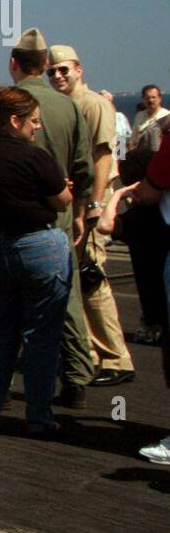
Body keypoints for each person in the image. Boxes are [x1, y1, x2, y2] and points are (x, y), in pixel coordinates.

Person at [0, 86, 73, 437]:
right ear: (16, 120)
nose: (37, 128)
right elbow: (62, 201)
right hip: (39, 244)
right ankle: (39, 416)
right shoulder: (34, 156)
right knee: (41, 336)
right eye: (33, 121)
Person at [8, 27, 95, 409]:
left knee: (7, 303)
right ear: (45, 65)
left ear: (15, 64)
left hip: (12, 218)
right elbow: (83, 168)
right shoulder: (68, 106)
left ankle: (0, 384)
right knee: (67, 297)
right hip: (58, 214)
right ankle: (76, 375)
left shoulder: (6, 105)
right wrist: (78, 211)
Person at [46, 45, 136, 386]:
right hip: (73, 204)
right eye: (52, 71)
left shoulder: (94, 105)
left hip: (91, 202)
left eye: (63, 70)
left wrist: (96, 204)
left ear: (79, 69)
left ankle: (116, 357)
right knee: (77, 281)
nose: (57, 76)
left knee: (92, 276)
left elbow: (102, 157)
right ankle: (89, 353)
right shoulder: (67, 105)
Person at [96, 149, 170, 464]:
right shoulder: (160, 213)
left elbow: (104, 226)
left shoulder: (140, 218)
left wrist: (117, 196)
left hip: (159, 302)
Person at [131, 84, 168, 151]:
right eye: (147, 98)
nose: (150, 100)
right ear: (143, 99)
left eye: (153, 97)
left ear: (159, 98)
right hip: (141, 157)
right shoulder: (139, 116)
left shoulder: (167, 116)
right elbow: (133, 140)